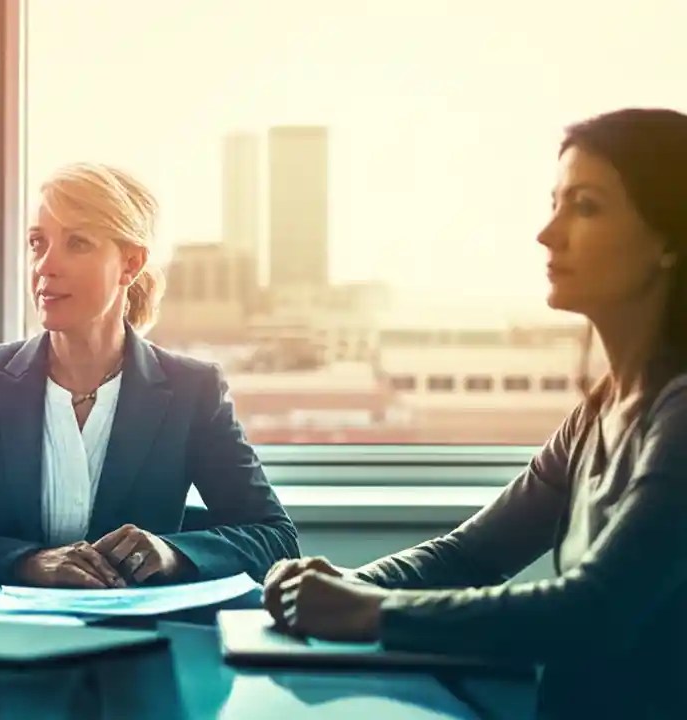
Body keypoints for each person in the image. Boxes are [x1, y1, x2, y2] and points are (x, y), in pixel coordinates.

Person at [263, 108, 687, 719]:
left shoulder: (682, 414)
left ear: (671, 239)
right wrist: (349, 583)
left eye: (586, 207)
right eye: (555, 202)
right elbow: (471, 557)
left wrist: (368, 612)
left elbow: (594, 609)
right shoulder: (598, 413)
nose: (548, 233)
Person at [0, 162, 297, 588]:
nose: (46, 265)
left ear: (130, 264)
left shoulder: (190, 390)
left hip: (133, 639)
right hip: (4, 641)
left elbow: (275, 540)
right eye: (37, 243)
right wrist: (28, 563)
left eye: (77, 243)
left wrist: (174, 553)